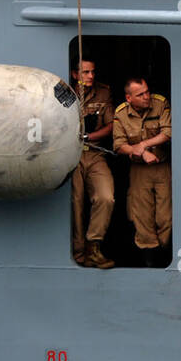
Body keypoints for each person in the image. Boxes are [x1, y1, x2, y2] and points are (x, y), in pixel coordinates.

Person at [112, 77, 172, 267]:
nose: (146, 96)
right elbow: (119, 145)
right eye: (140, 94)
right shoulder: (121, 114)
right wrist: (140, 153)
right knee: (142, 215)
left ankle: (164, 250)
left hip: (162, 167)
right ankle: (149, 257)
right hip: (139, 171)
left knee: (166, 216)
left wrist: (142, 145)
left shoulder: (160, 103)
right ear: (129, 98)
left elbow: (168, 132)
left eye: (147, 91)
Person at [70, 58, 115, 269]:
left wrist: (89, 137)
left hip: (95, 153)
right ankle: (79, 254)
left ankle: (93, 246)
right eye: (86, 72)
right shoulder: (66, 94)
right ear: (75, 75)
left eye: (93, 72)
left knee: (106, 197)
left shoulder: (103, 93)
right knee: (76, 203)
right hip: (71, 155)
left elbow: (110, 125)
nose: (91, 76)